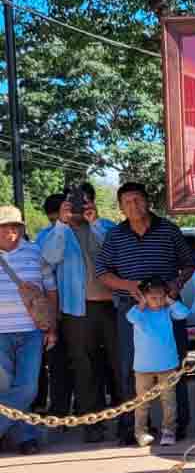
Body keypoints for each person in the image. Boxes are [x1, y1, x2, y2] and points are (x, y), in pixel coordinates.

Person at [95, 182, 195, 445]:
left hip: (167, 308)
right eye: (127, 202)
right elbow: (102, 272)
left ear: (147, 201)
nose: (133, 206)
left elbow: (188, 264)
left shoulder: (169, 230)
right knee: (131, 367)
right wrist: (128, 285)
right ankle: (134, 428)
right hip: (133, 312)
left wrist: (176, 284)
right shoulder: (115, 236)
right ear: (120, 208)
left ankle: (176, 425)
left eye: (138, 200)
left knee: (175, 366)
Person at [38, 185, 120, 442]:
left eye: (82, 202)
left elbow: (115, 253)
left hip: (112, 306)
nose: (76, 207)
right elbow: (48, 258)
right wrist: (62, 225)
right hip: (76, 309)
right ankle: (92, 425)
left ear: (92, 202)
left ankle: (132, 423)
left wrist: (93, 222)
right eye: (72, 203)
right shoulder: (51, 233)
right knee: (85, 368)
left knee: (122, 364)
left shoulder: (105, 226)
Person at [0, 205, 56, 455]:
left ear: (21, 228)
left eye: (15, 226)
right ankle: (25, 437)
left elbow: (51, 290)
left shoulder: (35, 253)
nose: (10, 232)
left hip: (32, 331)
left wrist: (52, 326)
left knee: (28, 387)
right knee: (6, 387)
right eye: (4, 227)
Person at [125, 276, 190, 447]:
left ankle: (169, 430)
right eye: (153, 297)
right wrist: (141, 303)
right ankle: (140, 432)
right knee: (142, 402)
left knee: (169, 401)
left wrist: (170, 300)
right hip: (143, 367)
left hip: (167, 364)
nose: (158, 301)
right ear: (144, 296)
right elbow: (130, 317)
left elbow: (184, 313)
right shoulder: (138, 313)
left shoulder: (167, 311)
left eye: (161, 297)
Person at [33, 195, 73, 420]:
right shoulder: (44, 238)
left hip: (74, 309)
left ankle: (66, 410)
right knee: (58, 365)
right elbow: (45, 272)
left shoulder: (82, 230)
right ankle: (60, 410)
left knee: (70, 363)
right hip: (57, 310)